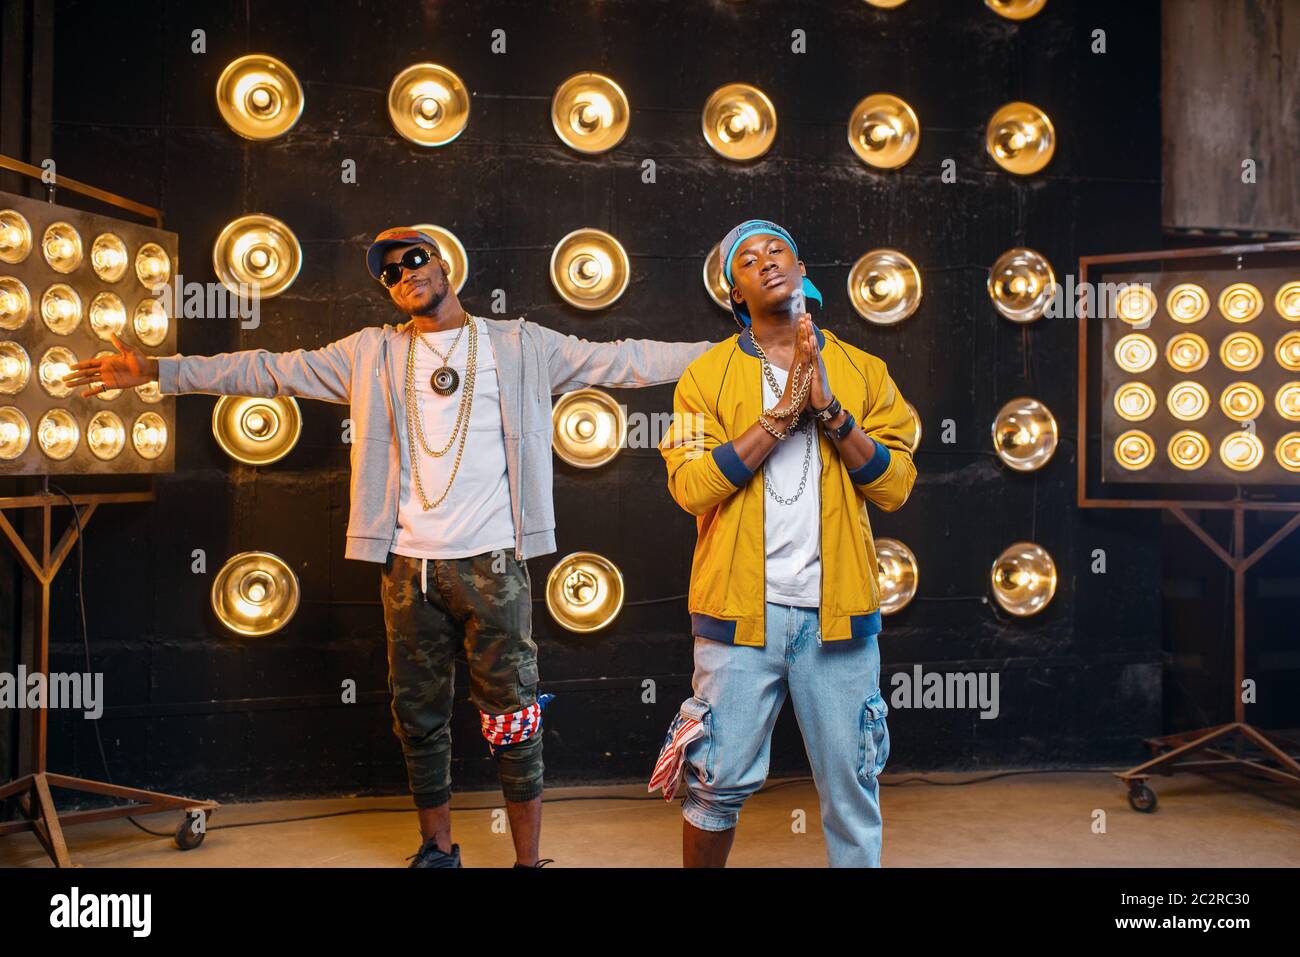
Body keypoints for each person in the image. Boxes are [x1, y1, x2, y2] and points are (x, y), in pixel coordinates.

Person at [65, 226, 712, 868]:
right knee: (418, 716)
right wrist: (156, 370)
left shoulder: (518, 344)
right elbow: (268, 370)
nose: (405, 273)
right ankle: (437, 850)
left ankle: (528, 860)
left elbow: (623, 359)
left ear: (446, 266)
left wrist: (734, 353)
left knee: (513, 715)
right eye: (391, 272)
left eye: (415, 259)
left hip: (494, 565)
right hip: (407, 570)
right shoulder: (370, 353)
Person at [653, 219, 917, 867]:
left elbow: (896, 485)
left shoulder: (863, 370)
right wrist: (778, 416)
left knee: (853, 786)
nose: (765, 260)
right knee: (715, 783)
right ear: (735, 293)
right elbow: (691, 485)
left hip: (840, 617)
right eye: (747, 259)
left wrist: (828, 409)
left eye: (777, 250)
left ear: (802, 273)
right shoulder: (705, 377)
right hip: (738, 621)